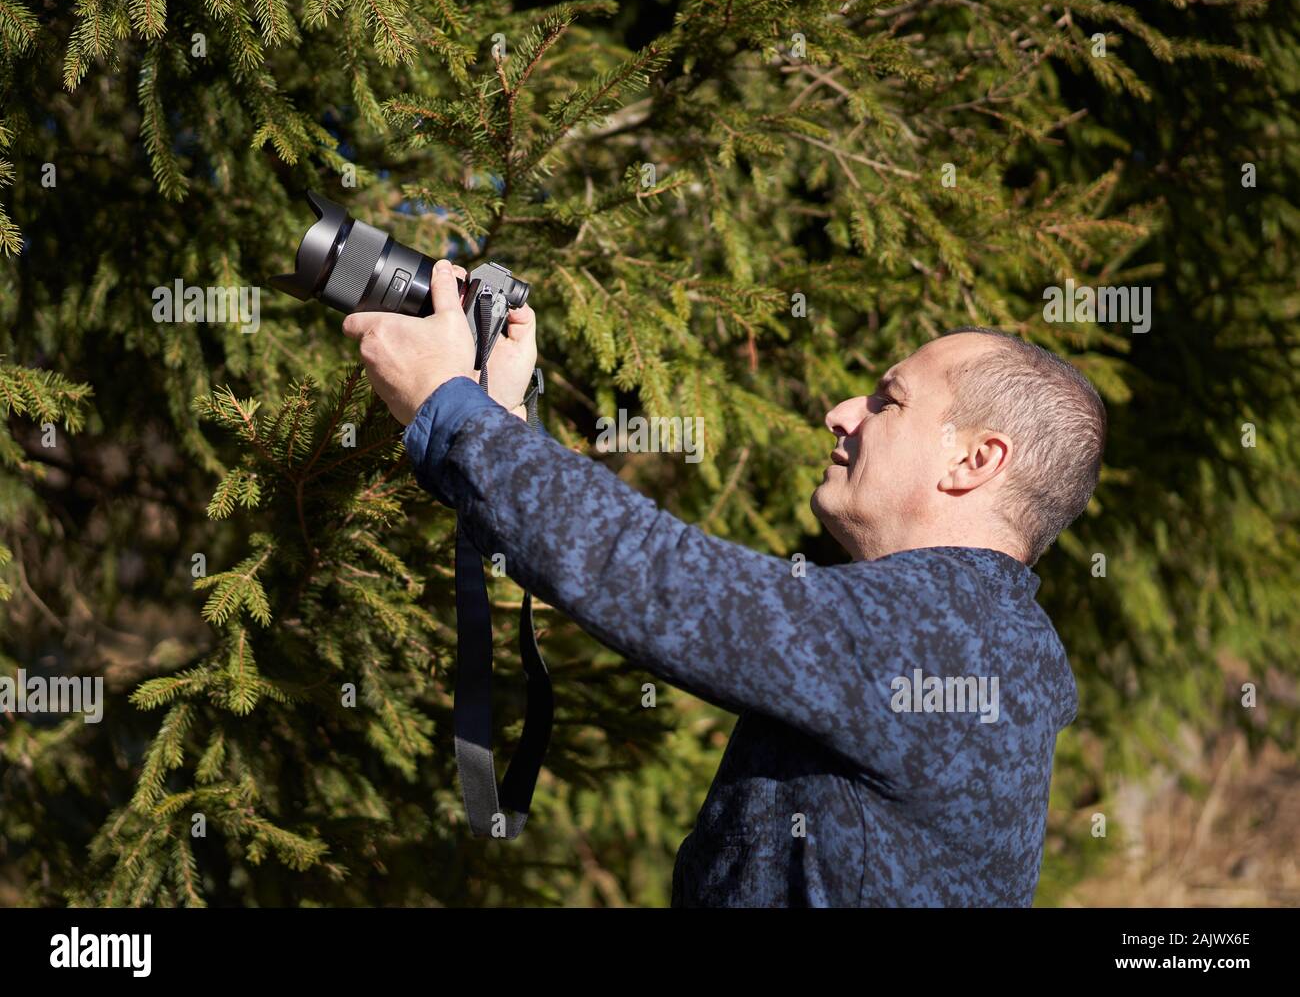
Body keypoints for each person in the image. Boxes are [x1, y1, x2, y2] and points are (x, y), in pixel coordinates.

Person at [341, 259, 1106, 907]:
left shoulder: (945, 634)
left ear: (976, 461)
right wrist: (497, 426)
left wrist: (456, 413)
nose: (842, 413)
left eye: (887, 399)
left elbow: (664, 581)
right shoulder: (979, 636)